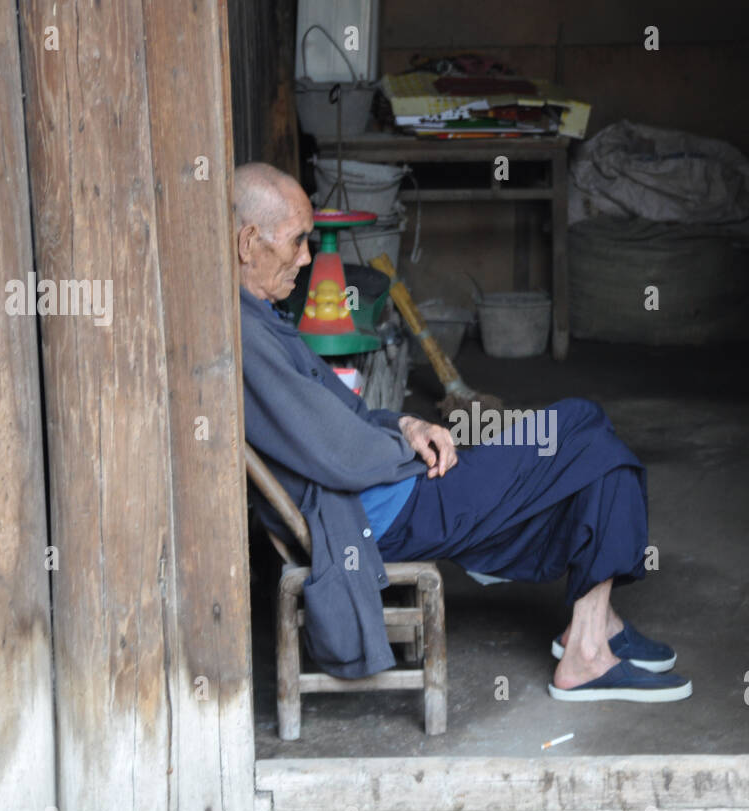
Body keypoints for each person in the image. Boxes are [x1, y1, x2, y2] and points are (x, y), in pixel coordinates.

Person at [235, 162, 690, 702]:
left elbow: (342, 420)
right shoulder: (244, 335)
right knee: (582, 429)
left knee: (589, 440)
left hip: (396, 490)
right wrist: (403, 447)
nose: (306, 257)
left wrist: (406, 422)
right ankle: (588, 650)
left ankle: (594, 631)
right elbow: (339, 454)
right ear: (247, 241)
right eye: (297, 241)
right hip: (389, 508)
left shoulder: (257, 316)